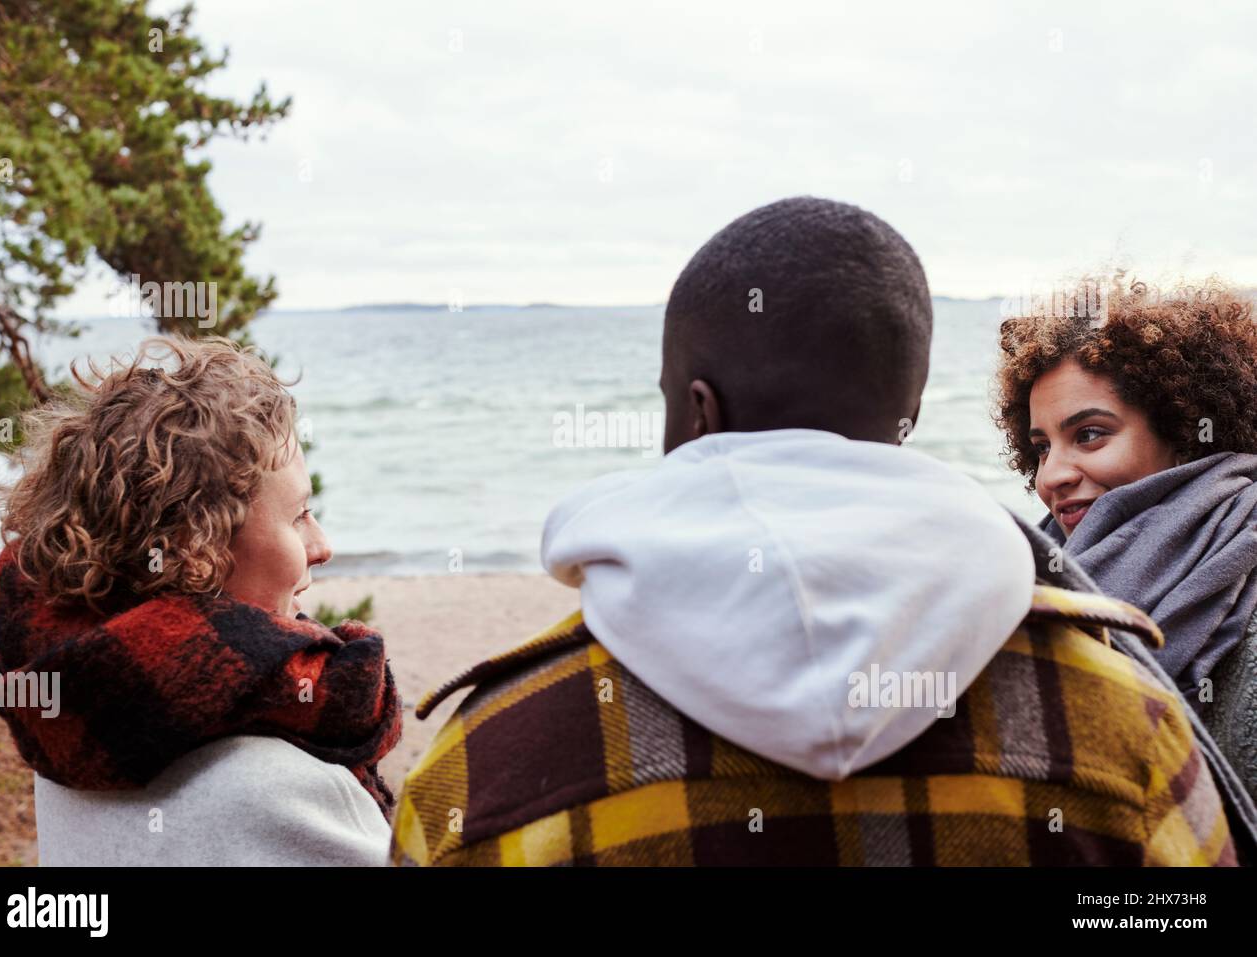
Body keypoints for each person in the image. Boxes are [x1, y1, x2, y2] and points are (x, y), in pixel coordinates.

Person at [391, 198, 1252, 866]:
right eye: (1039, 446)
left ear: (698, 411)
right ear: (909, 415)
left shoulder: (483, 763)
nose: (1054, 470)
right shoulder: (1125, 729)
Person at [0, 336, 401, 865]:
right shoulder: (283, 790)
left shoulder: (72, 724)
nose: (321, 547)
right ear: (195, 548)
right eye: (298, 515)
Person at [996, 278, 1257, 801]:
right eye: (1041, 447)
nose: (1050, 477)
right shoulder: (1042, 578)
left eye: (1089, 434)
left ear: (1185, 435)